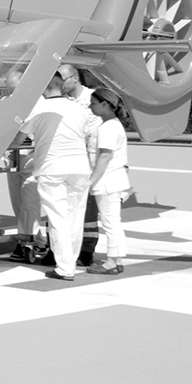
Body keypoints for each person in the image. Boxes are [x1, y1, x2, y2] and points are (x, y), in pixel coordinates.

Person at [22, 66, 99, 280]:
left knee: (58, 217)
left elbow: (17, 139)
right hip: (79, 167)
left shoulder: (38, 109)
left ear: (44, 87)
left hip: (51, 168)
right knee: (75, 217)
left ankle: (64, 268)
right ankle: (70, 263)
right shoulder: (80, 109)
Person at [86, 91, 131, 275]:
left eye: (94, 103)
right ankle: (116, 258)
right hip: (113, 178)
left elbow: (105, 156)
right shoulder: (112, 125)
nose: (91, 106)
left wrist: (91, 181)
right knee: (112, 220)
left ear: (105, 104)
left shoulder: (108, 128)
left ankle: (111, 262)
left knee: (110, 221)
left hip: (107, 179)